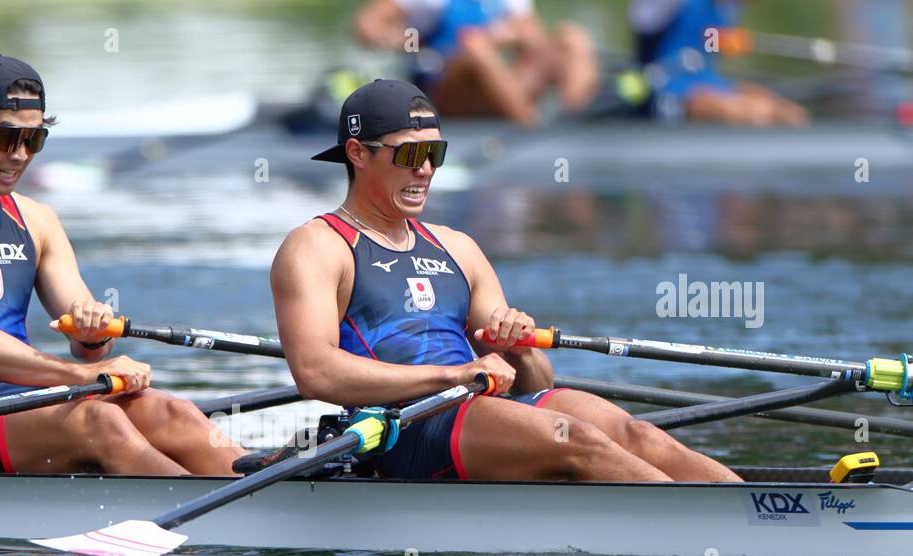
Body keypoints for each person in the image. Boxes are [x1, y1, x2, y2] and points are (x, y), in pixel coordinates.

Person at [270, 79, 742, 483]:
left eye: (435, 152)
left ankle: (758, 512)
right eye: (410, 153)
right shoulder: (318, 246)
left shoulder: (457, 247)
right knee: (576, 438)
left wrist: (519, 348)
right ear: (357, 153)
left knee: (636, 434)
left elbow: (531, 382)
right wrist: (453, 375)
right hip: (403, 427)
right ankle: (711, 530)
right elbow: (316, 373)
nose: (426, 169)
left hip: (477, 410)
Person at [0, 54, 244, 476]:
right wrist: (84, 374)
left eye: (34, 139)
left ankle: (262, 504)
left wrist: (92, 333)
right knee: (100, 420)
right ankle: (211, 534)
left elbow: (92, 347)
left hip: (37, 401)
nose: (20, 155)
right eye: (5, 138)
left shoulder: (37, 220)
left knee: (173, 411)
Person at [353, 0, 598, 125]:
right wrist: (398, 37)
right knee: (476, 48)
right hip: (445, 93)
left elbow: (534, 41)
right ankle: (532, 127)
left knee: (571, 38)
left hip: (496, 90)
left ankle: (575, 119)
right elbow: (367, 25)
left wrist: (507, 33)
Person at [631, 0, 807, 124]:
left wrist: (722, 41)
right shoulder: (666, 4)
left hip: (707, 81)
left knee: (787, 111)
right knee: (747, 112)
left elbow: (705, 48)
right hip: (665, 89)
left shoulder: (725, 9)